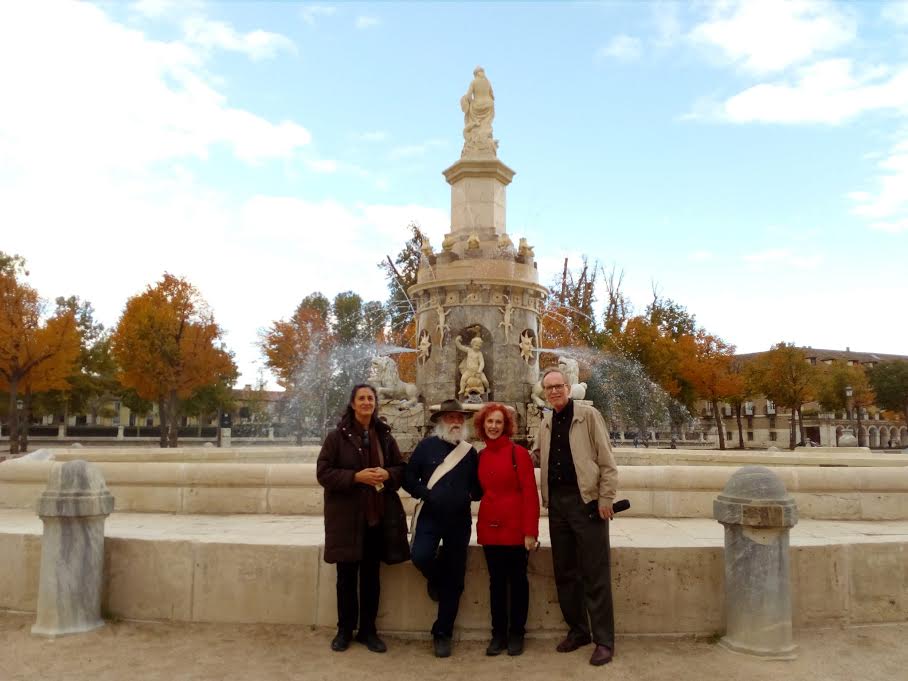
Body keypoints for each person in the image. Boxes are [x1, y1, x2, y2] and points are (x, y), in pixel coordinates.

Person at [535, 367, 619, 666]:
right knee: (565, 571)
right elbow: (536, 455)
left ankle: (604, 640)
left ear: (568, 388)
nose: (554, 391)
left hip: (587, 503)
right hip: (557, 505)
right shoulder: (545, 421)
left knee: (595, 573)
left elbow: (607, 461)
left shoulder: (587, 416)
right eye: (549, 388)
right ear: (544, 391)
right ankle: (578, 630)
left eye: (558, 386)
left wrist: (605, 498)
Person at [316, 384, 409, 654]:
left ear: (375, 403)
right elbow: (323, 473)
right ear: (353, 404)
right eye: (362, 398)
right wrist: (356, 477)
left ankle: (368, 631)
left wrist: (387, 474)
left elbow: (400, 469)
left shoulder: (385, 436)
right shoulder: (336, 438)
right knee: (346, 578)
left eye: (370, 398)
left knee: (371, 577)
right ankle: (344, 630)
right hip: (346, 519)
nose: (367, 402)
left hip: (375, 518)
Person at [404, 399, 482, 658]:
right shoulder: (426, 446)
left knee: (456, 577)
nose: (456, 422)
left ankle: (442, 633)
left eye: (459, 417)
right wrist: (426, 493)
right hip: (430, 516)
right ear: (440, 421)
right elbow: (407, 479)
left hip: (459, 521)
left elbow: (478, 488)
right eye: (450, 417)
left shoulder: (470, 453)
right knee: (420, 556)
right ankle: (436, 579)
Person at [474, 403, 539, 657]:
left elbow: (530, 495)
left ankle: (516, 634)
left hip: (514, 528)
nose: (493, 426)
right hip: (491, 527)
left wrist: (530, 531)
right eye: (489, 422)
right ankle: (498, 634)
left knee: (518, 582)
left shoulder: (518, 454)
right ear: (482, 425)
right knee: (496, 584)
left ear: (506, 426)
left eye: (498, 422)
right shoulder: (481, 455)